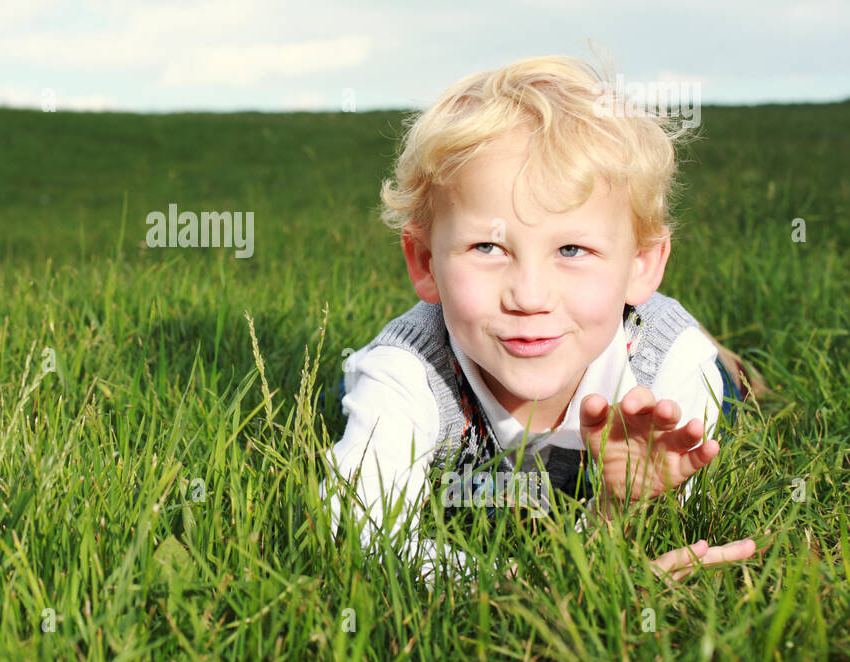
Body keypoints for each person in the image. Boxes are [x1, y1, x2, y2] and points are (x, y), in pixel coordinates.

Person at [321, 55, 762, 583]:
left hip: (655, 350)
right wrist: (530, 586)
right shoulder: (407, 371)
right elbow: (357, 531)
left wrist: (620, 507)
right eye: (487, 246)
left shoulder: (666, 373)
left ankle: (735, 366)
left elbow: (675, 515)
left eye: (572, 249)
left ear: (641, 265)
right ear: (424, 262)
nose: (529, 297)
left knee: (731, 386)